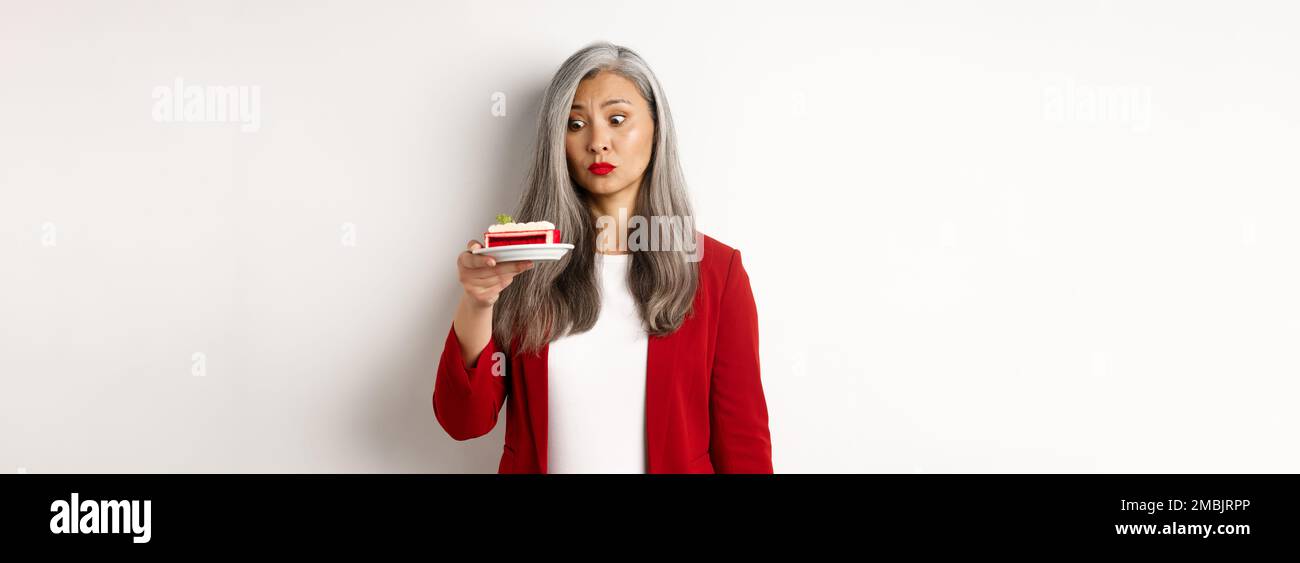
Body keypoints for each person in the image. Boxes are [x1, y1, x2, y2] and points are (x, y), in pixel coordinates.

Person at [433, 41, 772, 474]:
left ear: (655, 127)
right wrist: (478, 302)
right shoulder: (519, 262)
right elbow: (464, 421)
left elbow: (743, 443)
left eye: (617, 119)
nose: (597, 142)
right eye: (576, 124)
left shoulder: (716, 271)